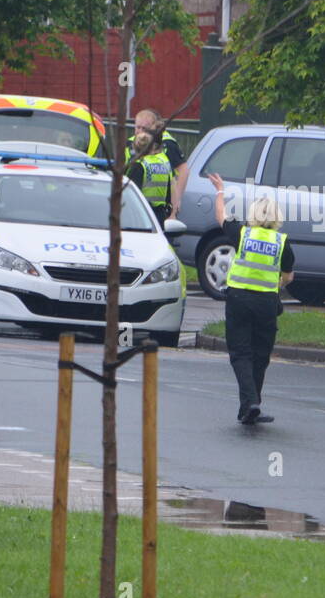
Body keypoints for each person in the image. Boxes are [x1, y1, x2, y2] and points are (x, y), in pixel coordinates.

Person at [207, 171, 294, 426]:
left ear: (254, 214)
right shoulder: (282, 242)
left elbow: (220, 216)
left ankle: (251, 403)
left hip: (239, 300)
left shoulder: (243, 233)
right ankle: (250, 405)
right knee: (260, 354)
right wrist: (276, 282)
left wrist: (220, 190)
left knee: (240, 353)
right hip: (266, 303)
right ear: (277, 217)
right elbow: (288, 276)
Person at [126, 109, 188, 218]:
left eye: (144, 128)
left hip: (152, 209)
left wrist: (175, 207)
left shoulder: (167, 145)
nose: (140, 131)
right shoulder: (130, 142)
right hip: (140, 209)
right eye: (137, 127)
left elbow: (181, 172)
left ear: (153, 128)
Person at [126, 129, 174, 225]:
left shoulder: (139, 166)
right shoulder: (163, 163)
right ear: (153, 147)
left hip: (141, 215)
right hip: (160, 215)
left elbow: (130, 195)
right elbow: (168, 193)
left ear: (134, 147)